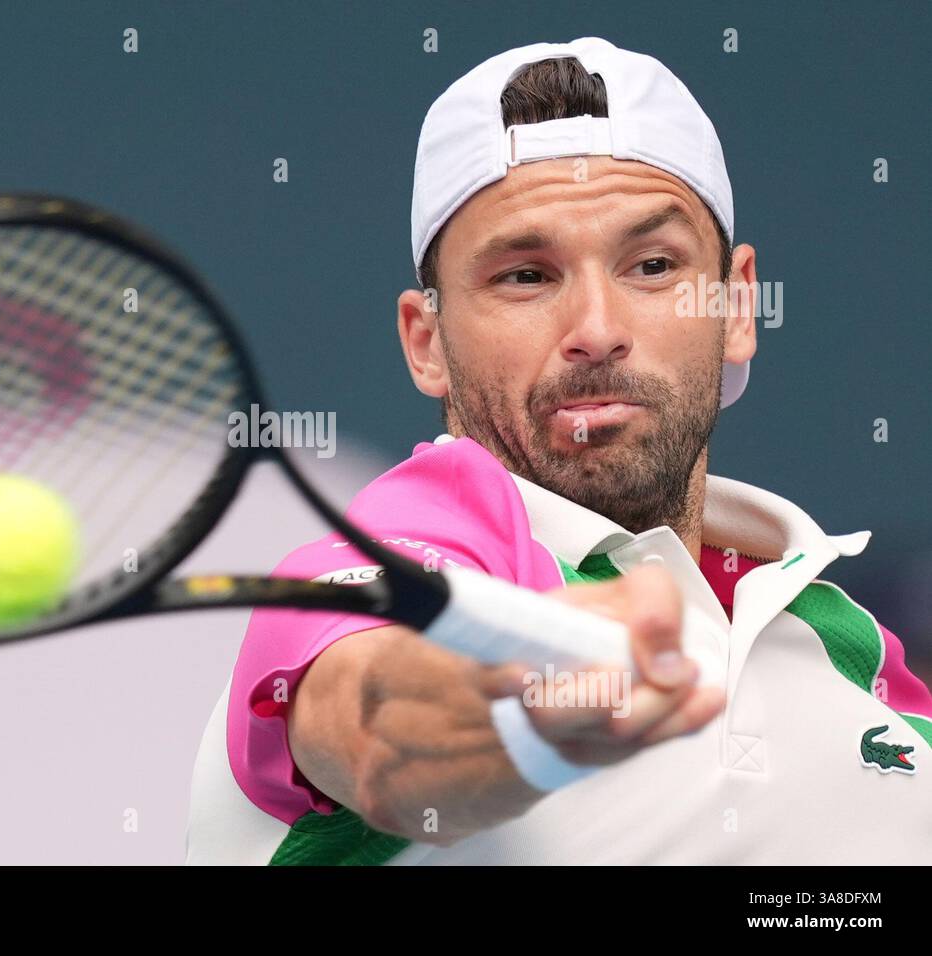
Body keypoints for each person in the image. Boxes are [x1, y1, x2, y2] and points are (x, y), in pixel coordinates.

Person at [184, 37, 932, 865]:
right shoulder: (381, 568)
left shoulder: (856, 657)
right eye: (526, 277)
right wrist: (537, 706)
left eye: (652, 266)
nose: (598, 332)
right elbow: (378, 729)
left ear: (739, 306)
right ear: (427, 341)